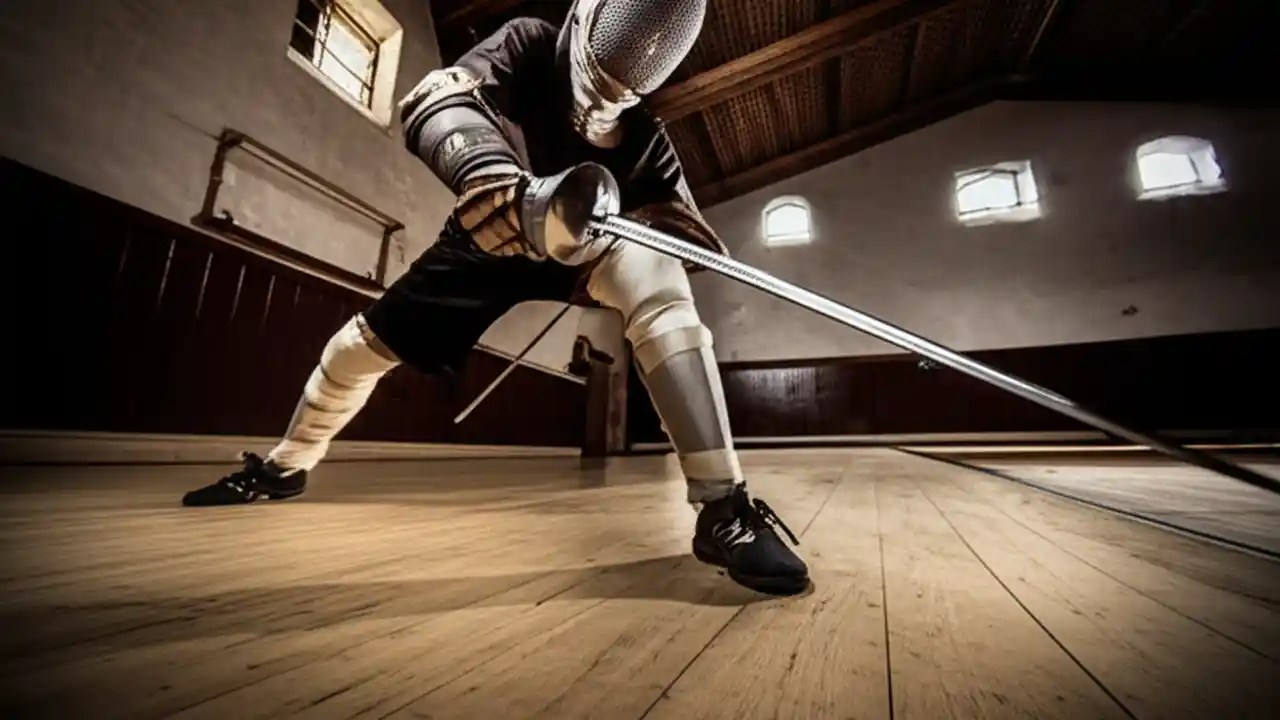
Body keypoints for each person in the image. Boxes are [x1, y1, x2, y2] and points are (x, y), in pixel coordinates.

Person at [182, 0, 809, 596]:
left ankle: (723, 507)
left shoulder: (646, 137)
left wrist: (643, 229)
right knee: (353, 351)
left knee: (659, 283)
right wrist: (491, 179)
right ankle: (286, 464)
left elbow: (687, 234)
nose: (638, 47)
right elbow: (436, 99)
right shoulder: (527, 43)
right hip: (494, 230)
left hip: (587, 253)